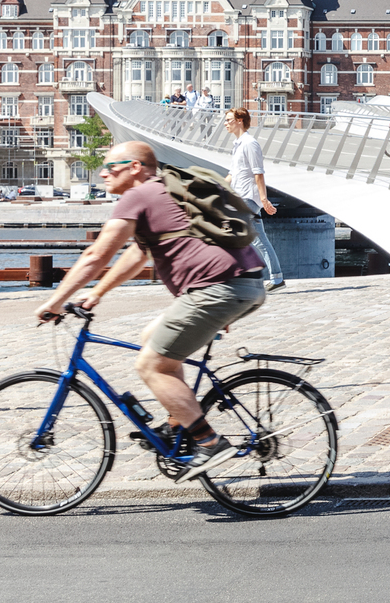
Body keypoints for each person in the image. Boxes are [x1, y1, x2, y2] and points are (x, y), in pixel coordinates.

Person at [36, 140, 267, 481]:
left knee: (150, 365)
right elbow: (135, 256)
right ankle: (179, 426)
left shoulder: (138, 196)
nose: (103, 174)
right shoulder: (164, 193)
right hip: (242, 283)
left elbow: (96, 256)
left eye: (110, 168)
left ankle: (209, 442)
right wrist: (95, 294)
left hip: (217, 289)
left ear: (135, 168)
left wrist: (53, 302)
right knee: (151, 339)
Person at [223, 107, 285, 290]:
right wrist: (217, 187)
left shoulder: (250, 143)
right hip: (240, 196)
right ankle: (276, 278)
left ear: (239, 121)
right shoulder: (238, 145)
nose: (225, 123)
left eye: (228, 120)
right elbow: (232, 174)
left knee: (233, 234)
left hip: (248, 198)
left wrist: (264, 200)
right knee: (258, 239)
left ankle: (237, 278)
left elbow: (258, 173)